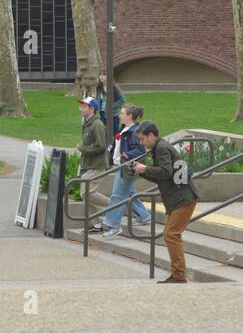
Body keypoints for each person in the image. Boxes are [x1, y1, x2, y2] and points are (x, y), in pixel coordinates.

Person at [132, 121, 199, 283]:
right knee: (171, 234)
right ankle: (178, 274)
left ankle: (179, 275)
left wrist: (145, 169)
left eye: (143, 139)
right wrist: (140, 171)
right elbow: (162, 177)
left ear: (151, 136)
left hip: (183, 198)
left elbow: (166, 171)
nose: (141, 143)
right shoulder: (158, 148)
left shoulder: (161, 148)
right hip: (178, 198)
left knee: (171, 234)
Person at [101, 103, 152, 238]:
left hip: (127, 166)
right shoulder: (125, 129)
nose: (120, 115)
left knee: (117, 196)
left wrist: (127, 155)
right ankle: (144, 216)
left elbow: (140, 149)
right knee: (128, 193)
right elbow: (119, 142)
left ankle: (113, 225)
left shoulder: (134, 131)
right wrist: (112, 146)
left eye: (122, 113)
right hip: (122, 165)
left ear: (130, 116)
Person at [76, 96, 110, 234]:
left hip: (98, 165)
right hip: (91, 165)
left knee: (86, 192)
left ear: (92, 109)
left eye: (84, 107)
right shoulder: (88, 123)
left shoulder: (97, 124)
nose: (81, 109)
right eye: (81, 106)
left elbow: (101, 145)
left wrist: (83, 149)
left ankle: (114, 205)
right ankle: (96, 225)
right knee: (86, 194)